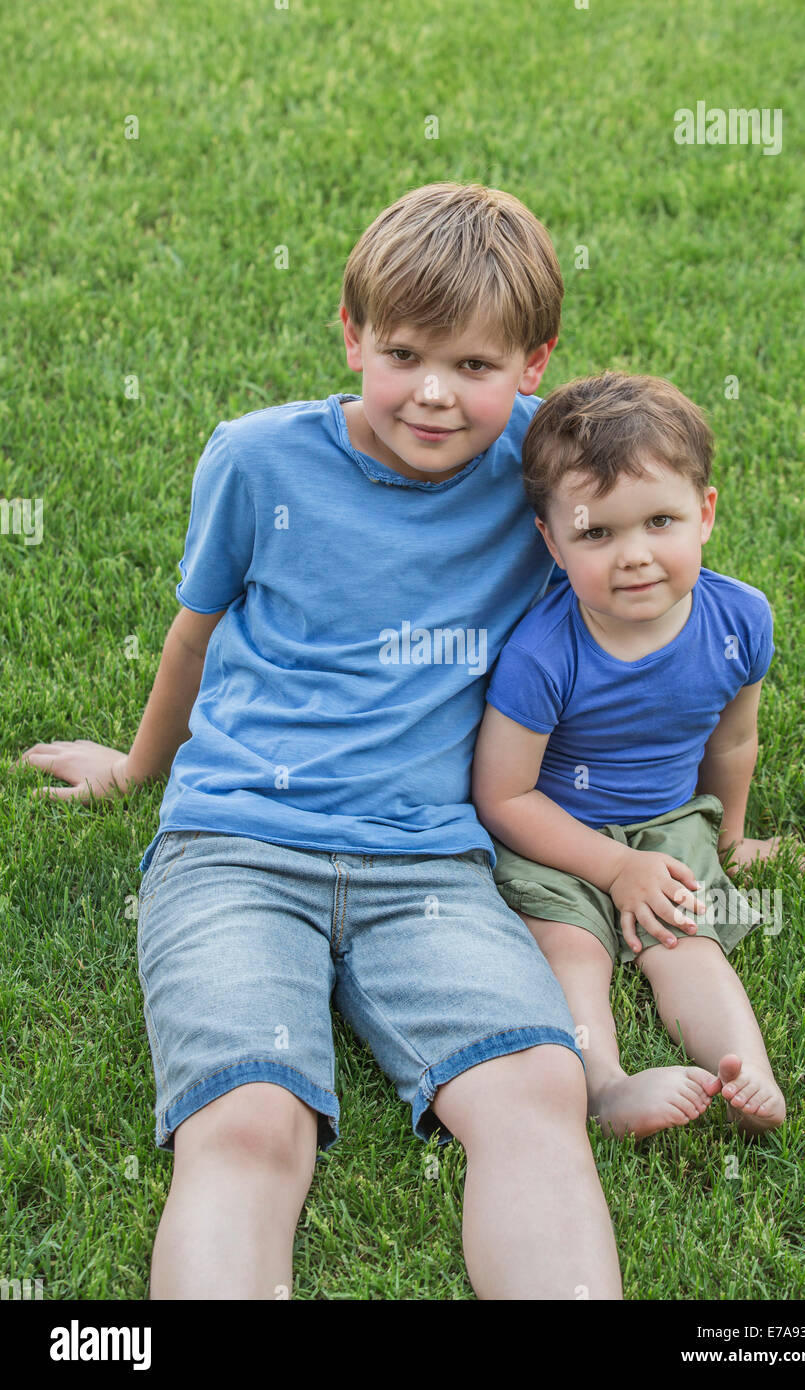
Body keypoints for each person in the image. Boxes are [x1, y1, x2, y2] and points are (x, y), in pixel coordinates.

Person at [18, 183, 622, 1300]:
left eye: (476, 368)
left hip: (429, 860)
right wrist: (138, 768)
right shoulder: (256, 461)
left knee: (539, 1086)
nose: (433, 394)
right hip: (235, 848)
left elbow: (652, 544)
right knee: (249, 1118)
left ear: (533, 365)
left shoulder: (549, 469)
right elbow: (193, 637)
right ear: (350, 334)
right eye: (401, 353)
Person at [472, 370, 799, 1143]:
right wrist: (615, 870)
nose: (636, 556)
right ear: (551, 541)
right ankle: (605, 1086)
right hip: (556, 837)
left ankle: (744, 1068)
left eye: (660, 520)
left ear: (705, 513)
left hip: (667, 823)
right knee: (573, 951)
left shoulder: (739, 619)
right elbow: (504, 797)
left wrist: (724, 840)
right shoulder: (545, 653)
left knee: (688, 942)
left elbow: (732, 740)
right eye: (597, 533)